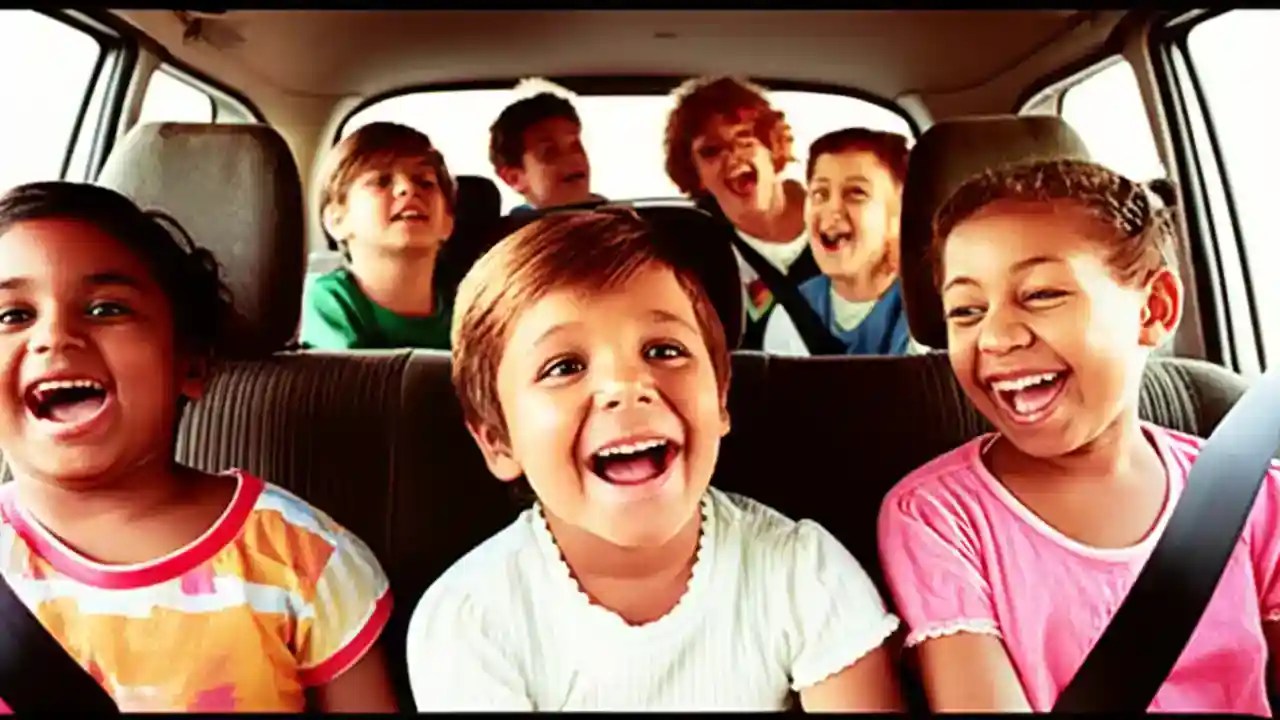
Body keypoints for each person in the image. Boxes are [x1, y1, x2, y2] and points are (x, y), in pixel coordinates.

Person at [405, 209, 903, 711]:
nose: (626, 386)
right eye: (565, 366)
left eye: (664, 350)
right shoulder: (472, 618)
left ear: (720, 398)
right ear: (499, 442)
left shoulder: (802, 575)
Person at [877, 159, 1280, 713]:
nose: (994, 335)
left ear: (1153, 309)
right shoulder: (938, 517)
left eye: (1041, 294)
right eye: (966, 309)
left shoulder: (1255, 492)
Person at [0, 182, 396, 712]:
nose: (55, 336)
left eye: (105, 309)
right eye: (11, 316)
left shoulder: (304, 559)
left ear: (190, 363)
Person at [663, 76, 818, 350]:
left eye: (745, 139)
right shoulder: (696, 250)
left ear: (772, 147)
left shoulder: (833, 218)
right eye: (711, 151)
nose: (733, 157)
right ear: (696, 174)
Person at [762, 127, 919, 357]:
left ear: (900, 213)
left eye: (856, 192)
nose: (832, 210)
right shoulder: (793, 315)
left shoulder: (924, 314)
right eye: (819, 194)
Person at [301, 121, 456, 350]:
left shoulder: (469, 311)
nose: (408, 189)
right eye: (380, 181)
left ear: (448, 221)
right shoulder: (329, 300)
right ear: (337, 220)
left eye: (425, 182)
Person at [489, 83, 604, 214]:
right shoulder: (519, 233)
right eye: (549, 151)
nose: (573, 157)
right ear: (514, 178)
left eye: (576, 145)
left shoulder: (622, 222)